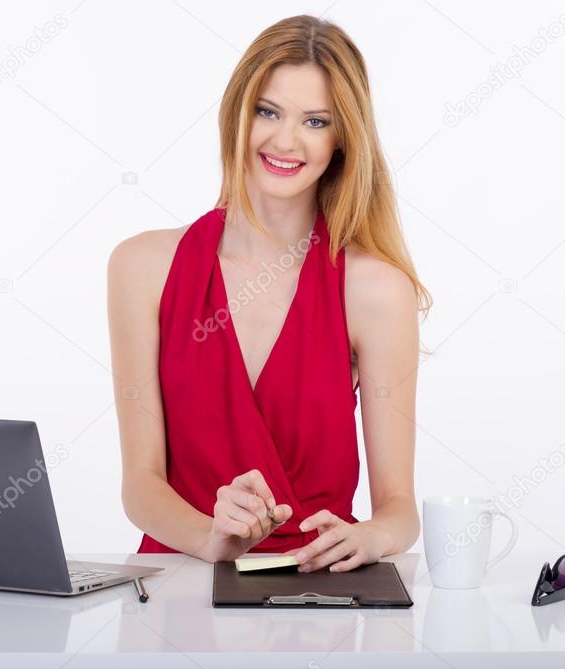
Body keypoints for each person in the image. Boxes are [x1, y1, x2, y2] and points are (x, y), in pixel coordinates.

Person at [106, 15, 432, 573]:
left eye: (315, 120)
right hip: (180, 586)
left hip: (319, 592)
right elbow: (141, 485)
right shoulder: (142, 267)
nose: (285, 140)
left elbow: (400, 510)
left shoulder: (376, 290)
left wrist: (371, 537)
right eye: (268, 111)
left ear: (342, 139)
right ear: (238, 115)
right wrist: (211, 538)